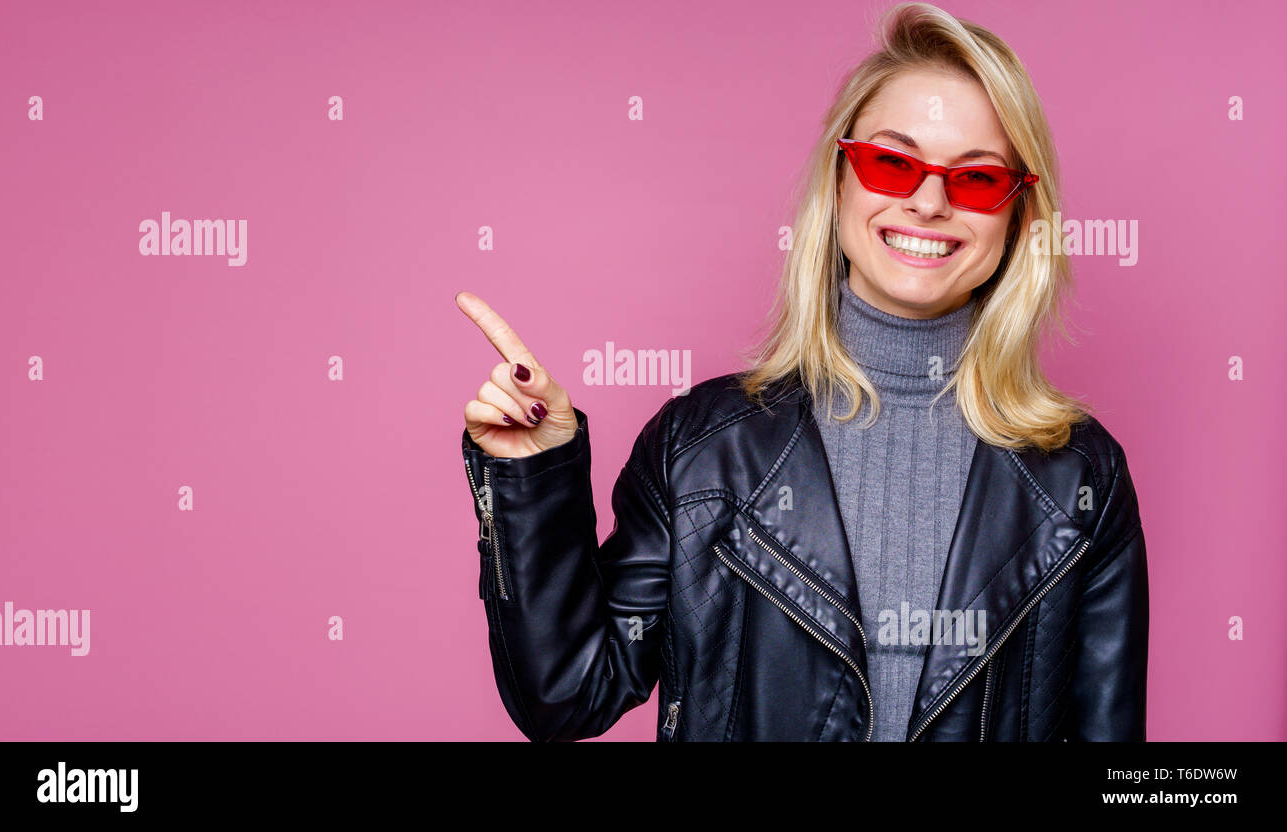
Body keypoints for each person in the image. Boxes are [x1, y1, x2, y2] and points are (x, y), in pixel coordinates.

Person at [455, 1, 1148, 742]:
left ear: (1016, 216)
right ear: (840, 180)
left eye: (976, 179)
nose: (929, 202)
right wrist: (533, 478)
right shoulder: (699, 448)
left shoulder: (1082, 478)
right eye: (892, 163)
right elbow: (567, 696)